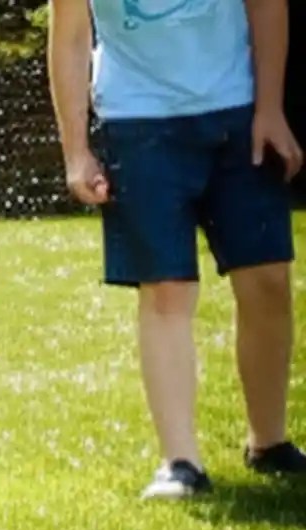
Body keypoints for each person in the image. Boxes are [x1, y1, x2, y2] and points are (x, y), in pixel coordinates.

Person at [48, 0, 306, 499]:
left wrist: (271, 108)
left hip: (238, 107)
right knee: (166, 288)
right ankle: (181, 462)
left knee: (268, 278)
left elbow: (267, 5)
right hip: (137, 120)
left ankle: (270, 442)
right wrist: (76, 151)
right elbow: (72, 34)